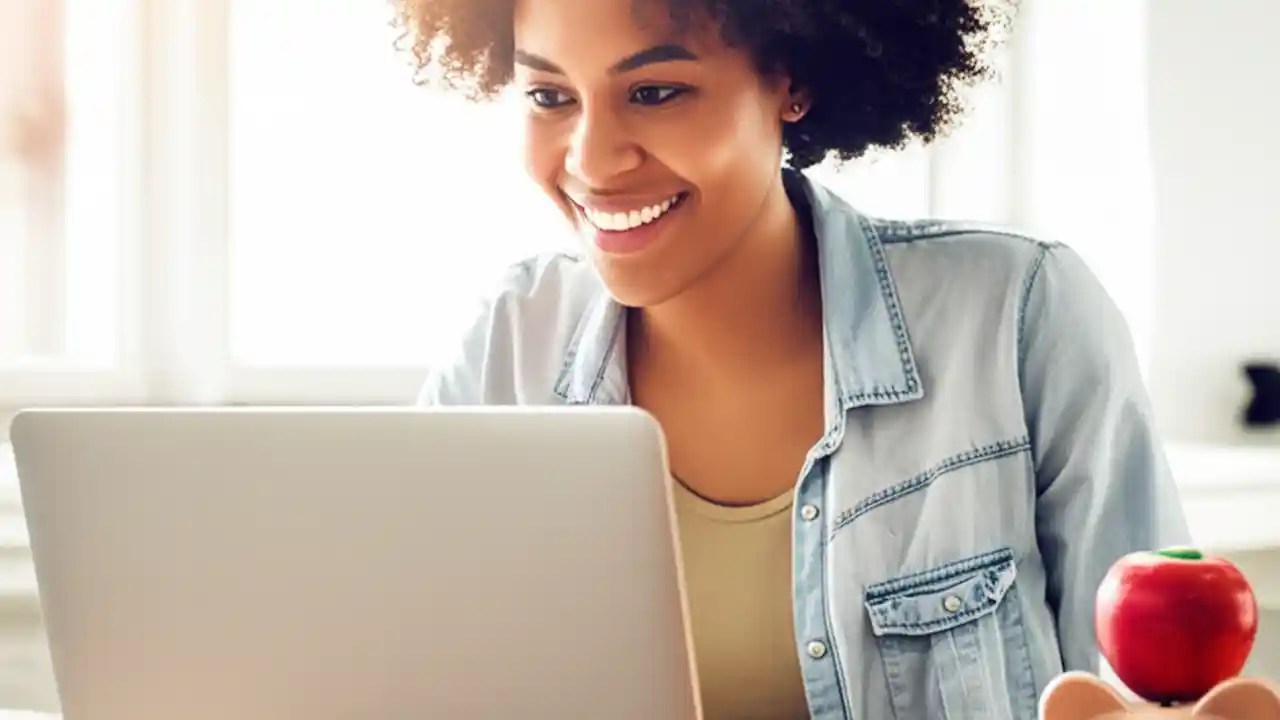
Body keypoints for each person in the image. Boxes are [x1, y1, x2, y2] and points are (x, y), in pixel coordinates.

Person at [397, 0, 1191, 717]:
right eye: (550, 97)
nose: (593, 160)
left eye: (655, 92)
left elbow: (1150, 689)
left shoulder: (1018, 317)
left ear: (791, 81)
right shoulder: (505, 347)